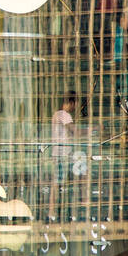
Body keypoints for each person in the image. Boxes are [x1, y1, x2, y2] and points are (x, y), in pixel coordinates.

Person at [48, 91, 77, 222]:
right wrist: (94, 129)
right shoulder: (65, 115)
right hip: (62, 154)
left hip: (57, 153)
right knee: (58, 183)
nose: (75, 107)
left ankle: (54, 210)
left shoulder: (56, 114)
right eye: (75, 104)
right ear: (71, 103)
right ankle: (54, 210)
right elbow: (74, 131)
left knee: (57, 182)